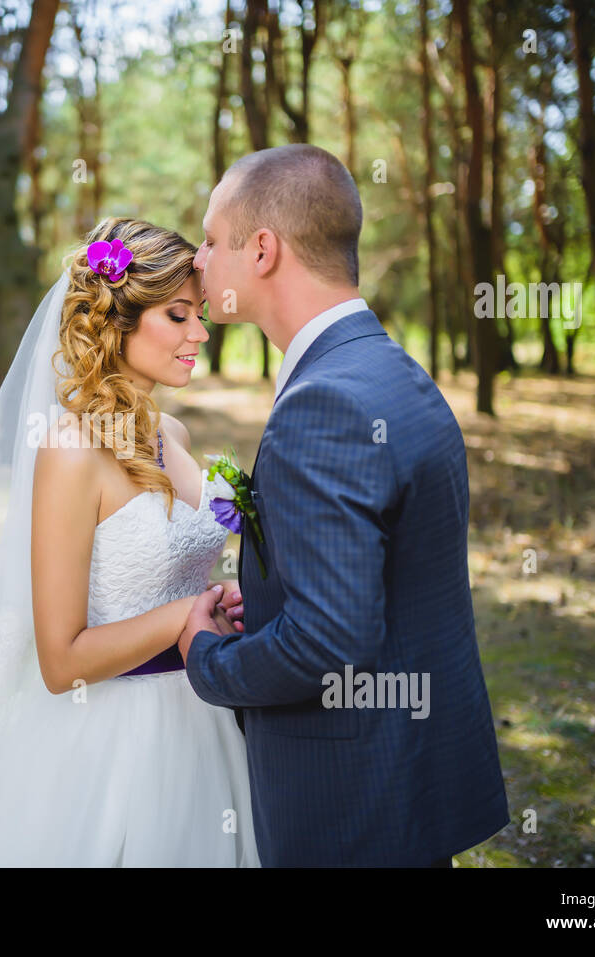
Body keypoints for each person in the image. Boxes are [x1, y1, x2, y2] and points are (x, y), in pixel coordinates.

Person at [177, 143, 510, 866]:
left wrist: (208, 657)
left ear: (262, 249)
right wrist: (269, 592)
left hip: (349, 804)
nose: (198, 261)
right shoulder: (392, 371)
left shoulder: (323, 401)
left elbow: (328, 641)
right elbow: (379, 581)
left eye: (210, 239)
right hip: (411, 781)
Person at [0, 217, 258, 866]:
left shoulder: (170, 431)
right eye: (178, 316)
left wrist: (218, 602)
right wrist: (183, 615)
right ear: (118, 321)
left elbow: (172, 571)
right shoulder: (68, 449)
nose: (201, 333)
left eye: (199, 313)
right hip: (112, 734)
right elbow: (60, 662)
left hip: (203, 715)